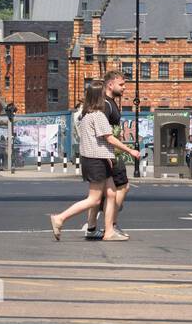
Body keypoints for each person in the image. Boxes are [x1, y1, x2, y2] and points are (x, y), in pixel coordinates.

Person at [49, 80, 139, 242]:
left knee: (111, 193)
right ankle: (60, 218)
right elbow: (109, 138)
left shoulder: (86, 115)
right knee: (94, 199)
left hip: (98, 159)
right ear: (99, 96)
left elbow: (98, 141)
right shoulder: (98, 115)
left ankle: (109, 230)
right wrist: (130, 150)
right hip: (97, 160)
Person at [83, 71, 133, 240]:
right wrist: (127, 150)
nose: (124, 88)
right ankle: (111, 225)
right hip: (109, 153)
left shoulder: (108, 102)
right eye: (121, 84)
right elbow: (105, 134)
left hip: (108, 153)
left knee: (102, 194)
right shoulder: (105, 105)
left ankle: (92, 228)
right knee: (121, 187)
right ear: (110, 85)